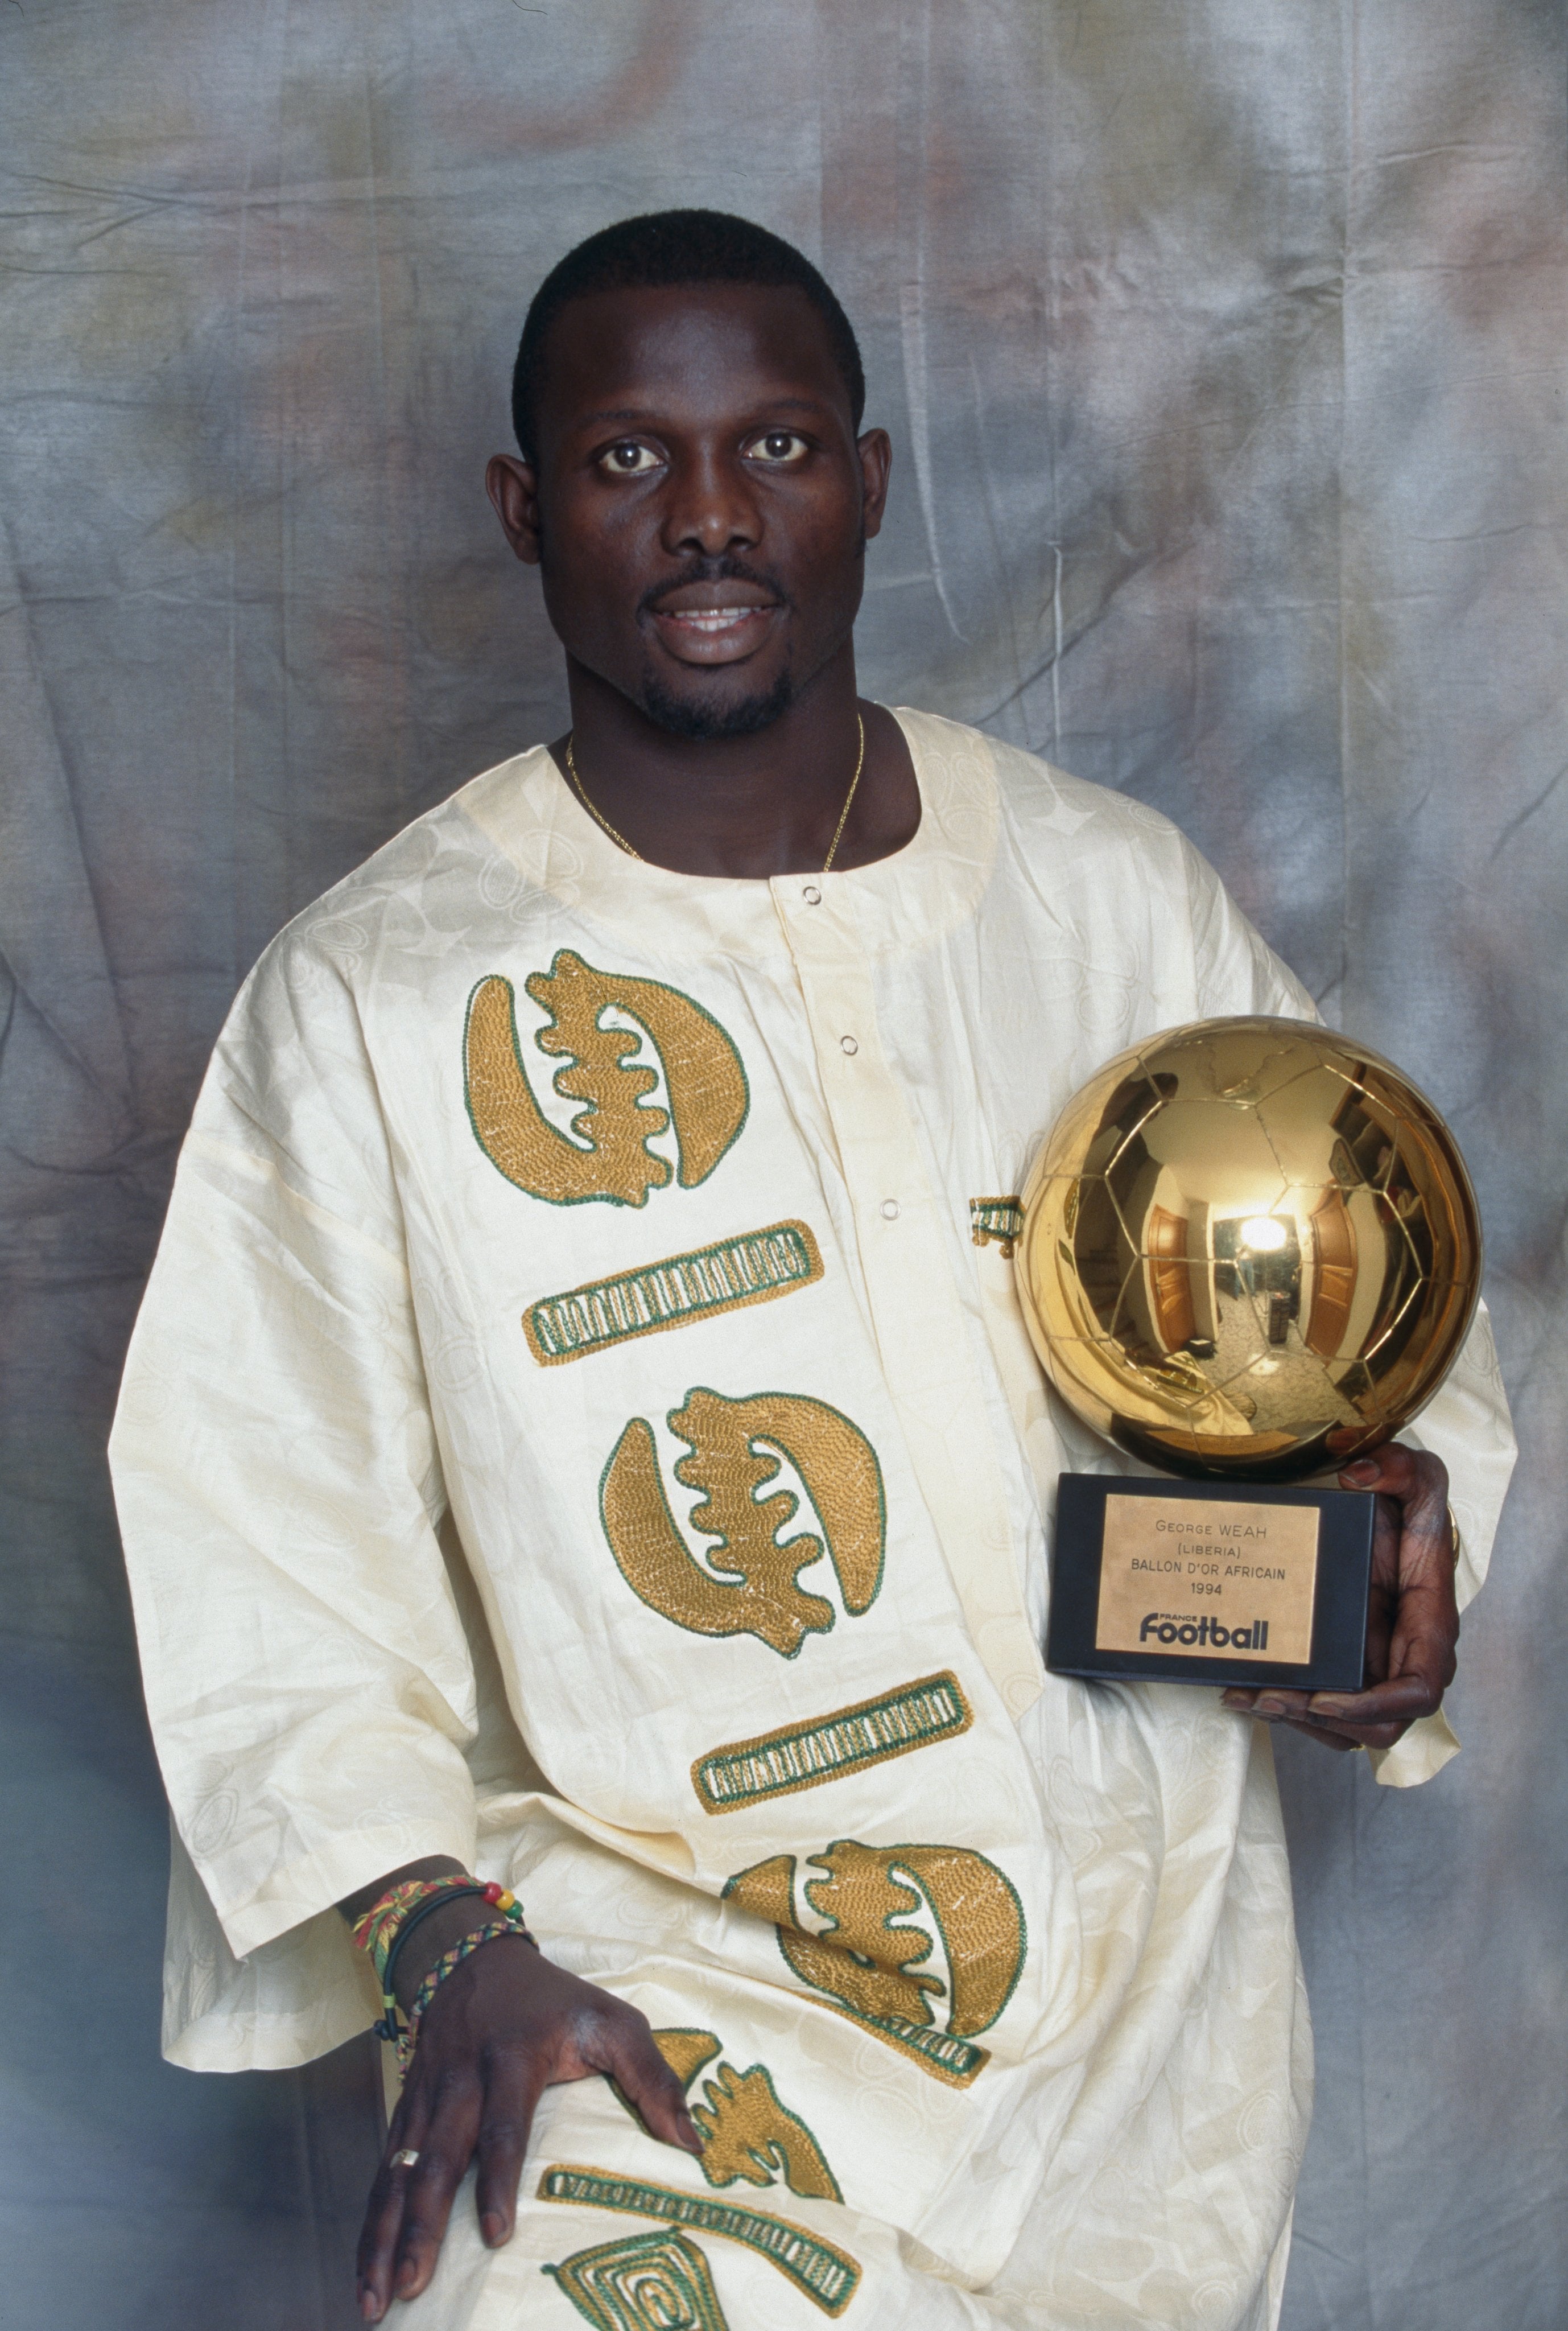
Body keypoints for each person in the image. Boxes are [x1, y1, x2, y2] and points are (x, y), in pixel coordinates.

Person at [110, 210, 1515, 2331]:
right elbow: (262, 1539)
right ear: (521, 510)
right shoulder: (374, 1002)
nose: (703, 519)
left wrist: (1396, 1563)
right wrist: (441, 1943)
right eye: (621, 462)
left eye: (771, 449)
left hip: (1142, 2010)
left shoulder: (1111, 904)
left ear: (868, 479)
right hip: (645, 1989)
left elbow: (1384, 1345)